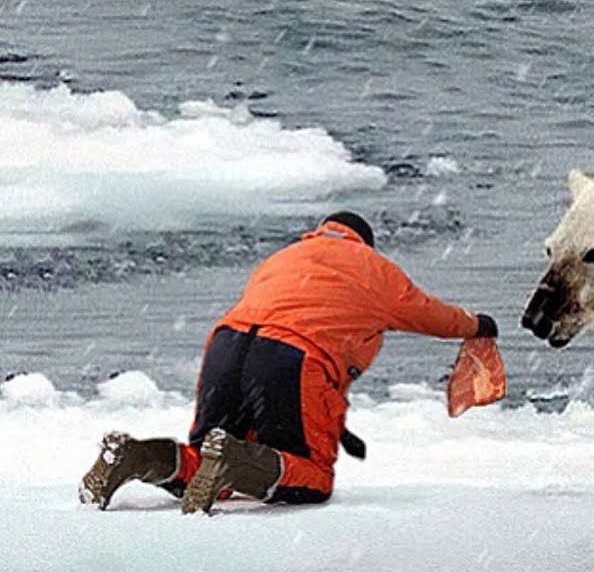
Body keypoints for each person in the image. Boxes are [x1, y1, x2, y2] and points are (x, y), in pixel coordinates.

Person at [79, 211, 497, 513]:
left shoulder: (283, 257)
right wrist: (476, 324)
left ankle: (136, 456)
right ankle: (232, 462)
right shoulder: (374, 268)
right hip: (294, 356)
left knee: (203, 455)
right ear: (363, 242)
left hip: (227, 345)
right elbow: (427, 313)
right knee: (311, 478)